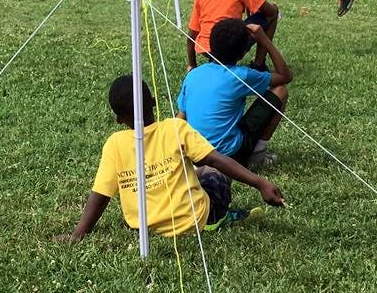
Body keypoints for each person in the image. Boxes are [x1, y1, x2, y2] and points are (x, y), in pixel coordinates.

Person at [58, 75, 285, 243]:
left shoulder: (114, 144)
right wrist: (260, 182)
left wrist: (78, 234)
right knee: (215, 172)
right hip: (193, 220)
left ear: (119, 119)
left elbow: (100, 195)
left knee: (197, 171)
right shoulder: (175, 127)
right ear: (154, 102)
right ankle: (218, 218)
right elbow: (216, 160)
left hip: (145, 227)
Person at [178, 18, 292, 170]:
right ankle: (257, 155)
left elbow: (180, 117)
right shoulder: (241, 75)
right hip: (229, 156)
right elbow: (285, 76)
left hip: (196, 154)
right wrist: (264, 40)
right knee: (280, 91)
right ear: (243, 52)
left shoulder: (194, 74)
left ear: (210, 46)